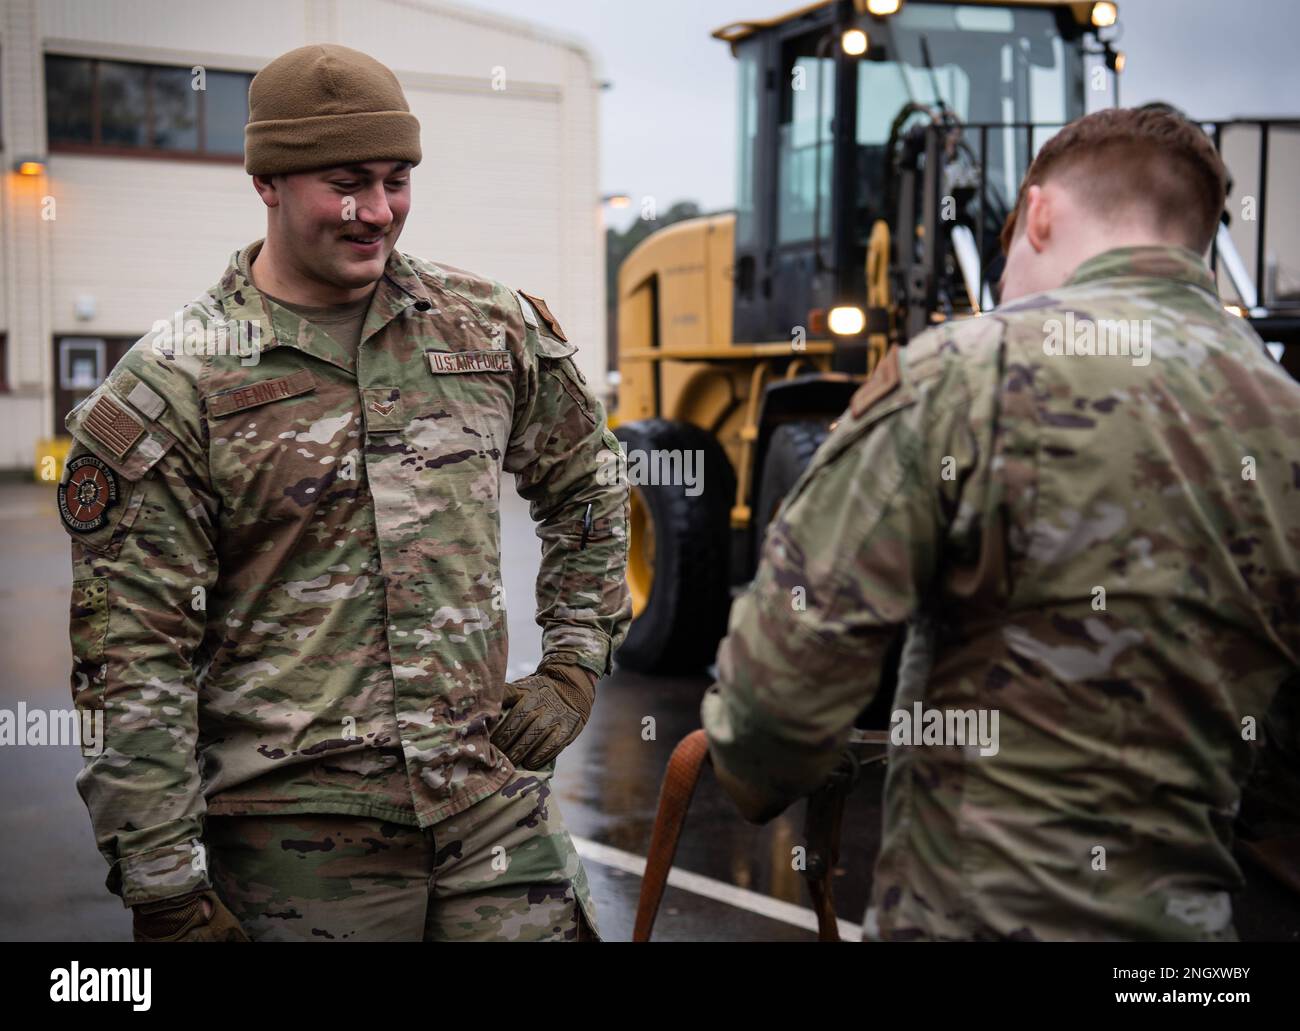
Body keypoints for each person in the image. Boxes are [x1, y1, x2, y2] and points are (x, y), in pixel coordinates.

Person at [59, 43, 629, 942]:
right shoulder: (174, 386)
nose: (378, 212)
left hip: (492, 813)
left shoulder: (487, 328)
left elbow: (589, 489)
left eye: (397, 179)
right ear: (269, 183)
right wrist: (165, 889)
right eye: (347, 183)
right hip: (296, 843)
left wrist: (574, 661)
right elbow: (132, 656)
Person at [701, 106, 1300, 941]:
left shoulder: (961, 374)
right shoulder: (1284, 415)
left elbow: (776, 699)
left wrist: (755, 767)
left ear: (1042, 213)